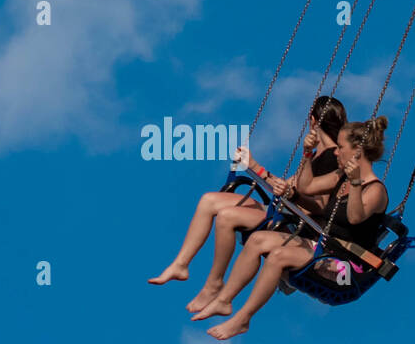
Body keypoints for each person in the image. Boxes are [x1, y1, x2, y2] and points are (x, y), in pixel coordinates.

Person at [196, 116, 390, 339]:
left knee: (278, 256)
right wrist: (308, 153)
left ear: (357, 151)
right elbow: (306, 186)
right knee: (258, 239)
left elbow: (355, 217)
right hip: (323, 248)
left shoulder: (376, 190)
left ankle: (242, 319)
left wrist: (356, 182)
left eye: (341, 148)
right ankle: (223, 301)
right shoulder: (340, 177)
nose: (336, 152)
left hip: (347, 269)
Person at [148, 97, 347, 314]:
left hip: (297, 223)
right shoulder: (317, 155)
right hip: (286, 212)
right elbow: (287, 187)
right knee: (209, 200)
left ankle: (214, 284)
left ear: (312, 120)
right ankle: (181, 264)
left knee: (227, 217)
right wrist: (256, 168)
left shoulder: (333, 158)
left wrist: (257, 168)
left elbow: (318, 205)